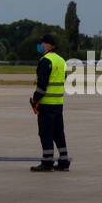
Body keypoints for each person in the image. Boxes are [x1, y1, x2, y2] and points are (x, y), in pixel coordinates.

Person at [30, 34, 71, 172]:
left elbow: (42, 85)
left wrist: (35, 100)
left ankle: (47, 163)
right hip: (58, 103)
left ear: (47, 45)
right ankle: (64, 161)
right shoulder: (61, 60)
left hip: (46, 104)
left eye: (41, 43)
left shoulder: (45, 61)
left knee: (45, 133)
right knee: (59, 133)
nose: (40, 46)